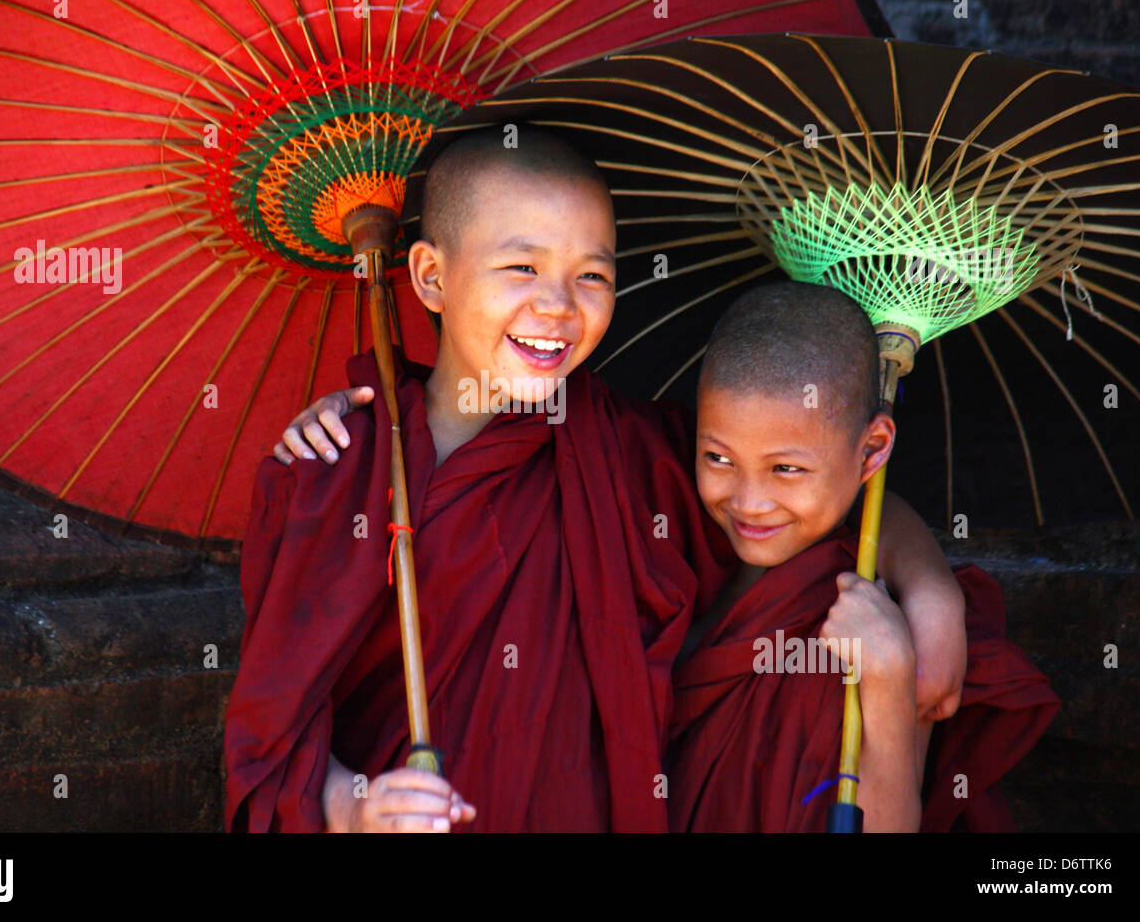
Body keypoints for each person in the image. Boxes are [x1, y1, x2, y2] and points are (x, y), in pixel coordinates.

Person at [235, 125, 966, 832]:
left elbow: (808, 497)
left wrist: (930, 586)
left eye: (592, 275)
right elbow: (269, 738)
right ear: (431, 276)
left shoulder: (624, 453)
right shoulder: (340, 471)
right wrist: (351, 808)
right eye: (522, 267)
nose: (558, 306)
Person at [665, 282, 1059, 831]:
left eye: (786, 469)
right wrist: (931, 582)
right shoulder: (679, 555)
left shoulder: (881, 619)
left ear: (872, 449)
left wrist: (892, 676)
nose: (747, 502)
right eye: (718, 457)